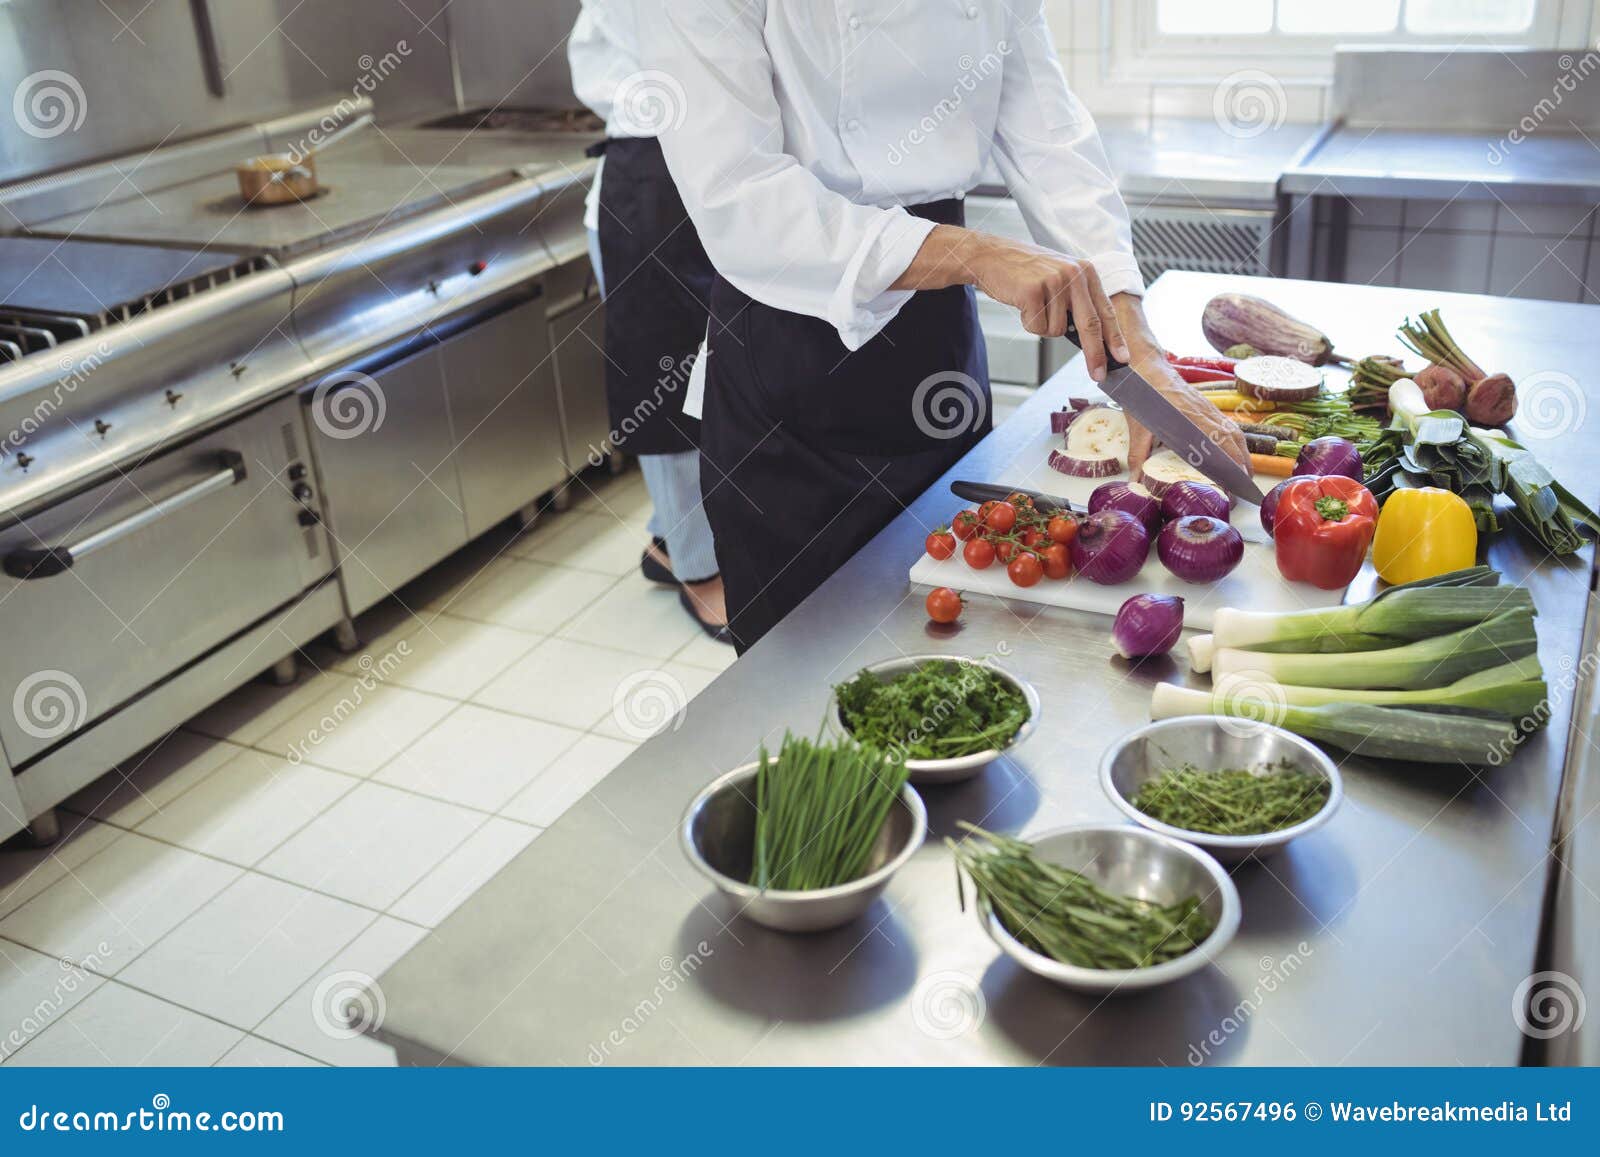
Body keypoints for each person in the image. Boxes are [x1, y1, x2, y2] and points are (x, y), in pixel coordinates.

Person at [644, 1, 1250, 651]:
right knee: (799, 669)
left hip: (935, 347)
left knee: (955, 630)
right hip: (790, 346)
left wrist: (1139, 353)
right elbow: (740, 198)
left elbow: (1052, 139)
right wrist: (974, 253)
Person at [567, 0, 732, 644]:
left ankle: (672, 539)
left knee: (720, 384)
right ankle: (699, 570)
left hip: (709, 174)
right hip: (653, 182)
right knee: (668, 385)